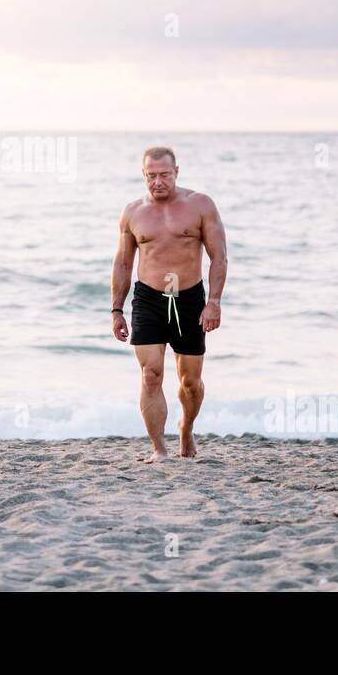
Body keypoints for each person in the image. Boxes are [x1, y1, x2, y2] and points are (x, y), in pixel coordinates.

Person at [111, 146, 227, 461]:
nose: (158, 182)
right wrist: (117, 310)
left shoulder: (200, 205)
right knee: (150, 374)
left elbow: (219, 256)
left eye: (164, 174)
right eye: (151, 176)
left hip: (189, 299)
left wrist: (213, 302)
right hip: (148, 298)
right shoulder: (133, 212)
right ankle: (158, 450)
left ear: (177, 171)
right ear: (143, 175)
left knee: (190, 382)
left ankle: (186, 428)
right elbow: (122, 264)